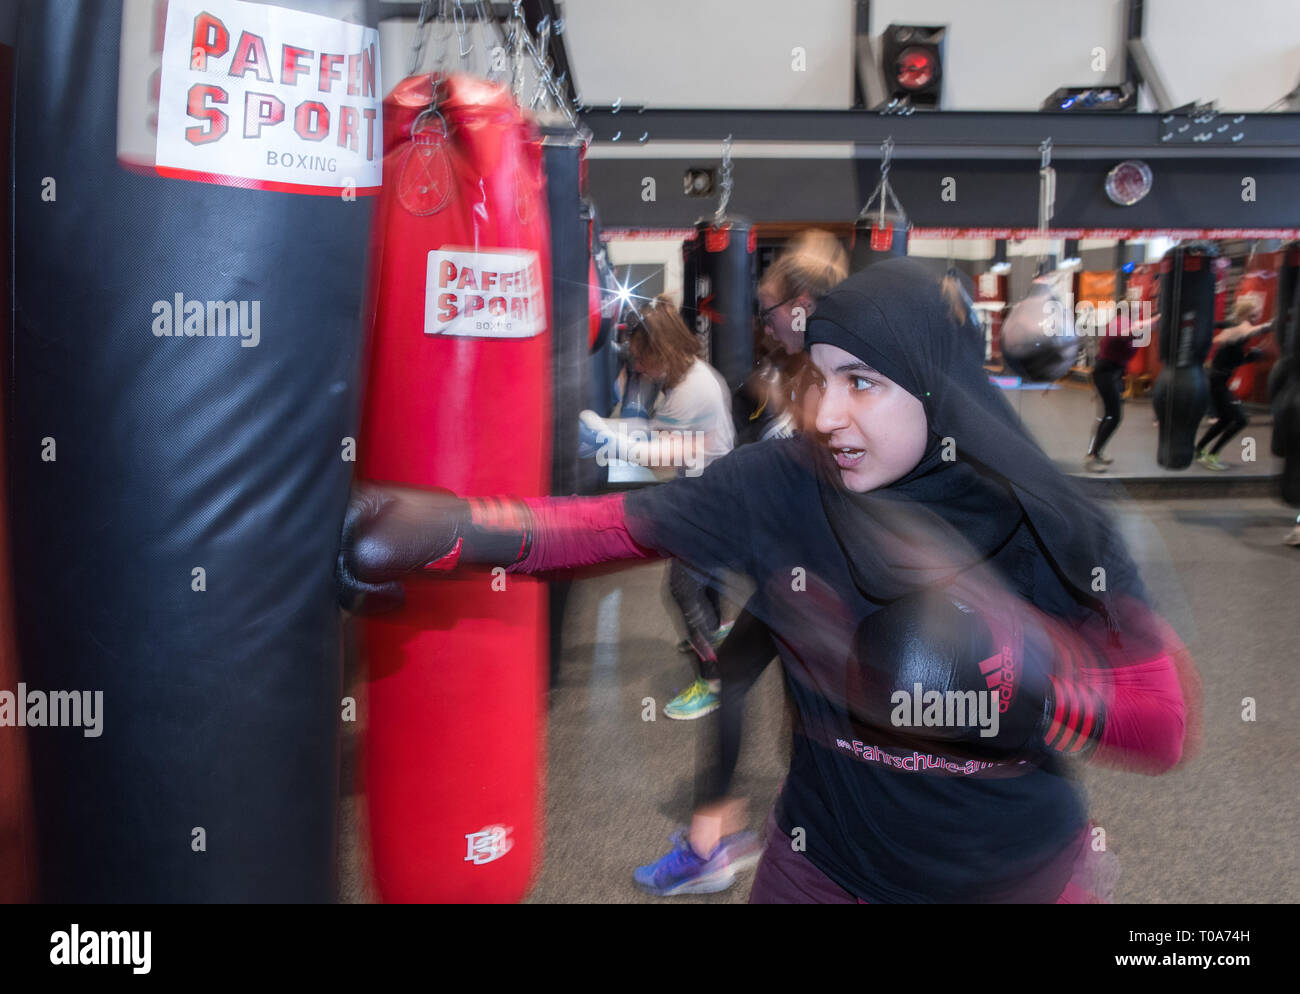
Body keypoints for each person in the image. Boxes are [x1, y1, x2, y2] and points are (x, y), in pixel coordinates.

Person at [339, 258, 1197, 903]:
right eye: (821, 379)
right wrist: (457, 530)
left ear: (937, 390)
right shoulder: (784, 480)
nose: (827, 413)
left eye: (862, 383)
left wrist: (1027, 672)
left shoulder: (1051, 523)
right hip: (821, 862)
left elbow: (1162, 724)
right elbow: (610, 528)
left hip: (1007, 879)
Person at [636, 230, 849, 896]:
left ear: (802, 304)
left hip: (823, 576)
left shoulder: (839, 375)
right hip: (794, 569)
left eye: (767, 310)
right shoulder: (808, 366)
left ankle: (787, 845)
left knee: (812, 713)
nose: (761, 323)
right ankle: (722, 838)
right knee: (747, 678)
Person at [578, 296, 735, 720]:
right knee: (703, 579)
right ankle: (716, 633)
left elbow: (655, 454)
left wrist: (607, 439)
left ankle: (713, 681)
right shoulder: (687, 376)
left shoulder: (690, 391)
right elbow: (654, 432)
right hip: (711, 488)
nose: (640, 368)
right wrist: (610, 428)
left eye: (643, 358)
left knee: (682, 587)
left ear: (660, 351)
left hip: (709, 498)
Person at [1195, 298, 1272, 470]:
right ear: (1248, 313)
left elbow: (1229, 352)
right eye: (1258, 311)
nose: (1259, 314)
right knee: (1241, 420)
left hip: (1217, 379)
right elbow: (1248, 331)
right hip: (1216, 381)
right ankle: (1211, 455)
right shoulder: (1242, 327)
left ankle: (1199, 449)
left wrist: (1248, 357)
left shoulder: (1233, 325)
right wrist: (1272, 324)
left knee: (1226, 419)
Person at [1085, 305, 1161, 473]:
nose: (1138, 313)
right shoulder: (1118, 324)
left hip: (1115, 375)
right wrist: (1151, 322)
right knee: (1112, 416)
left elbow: (1136, 331)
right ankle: (1093, 456)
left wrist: (1153, 321)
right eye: (1134, 311)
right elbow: (1125, 333)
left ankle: (1097, 452)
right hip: (1104, 373)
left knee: (1109, 415)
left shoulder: (1131, 324)